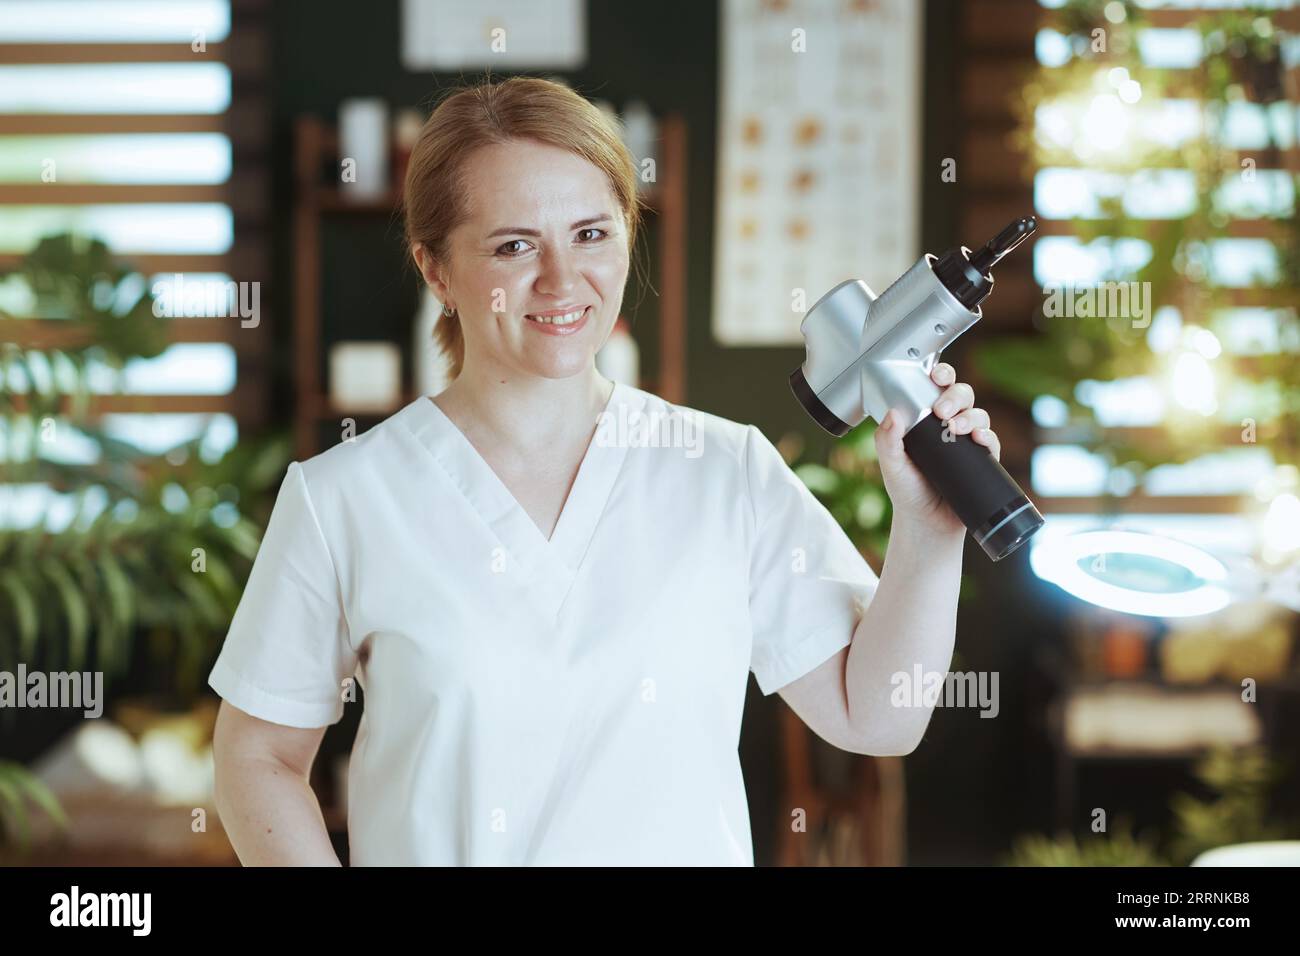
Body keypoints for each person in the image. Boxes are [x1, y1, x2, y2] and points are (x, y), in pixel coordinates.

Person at [208, 76, 1002, 866]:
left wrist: (929, 534)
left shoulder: (728, 472)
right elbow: (259, 758)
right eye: (514, 245)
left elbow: (879, 718)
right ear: (437, 270)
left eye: (591, 233)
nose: (561, 280)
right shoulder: (343, 498)